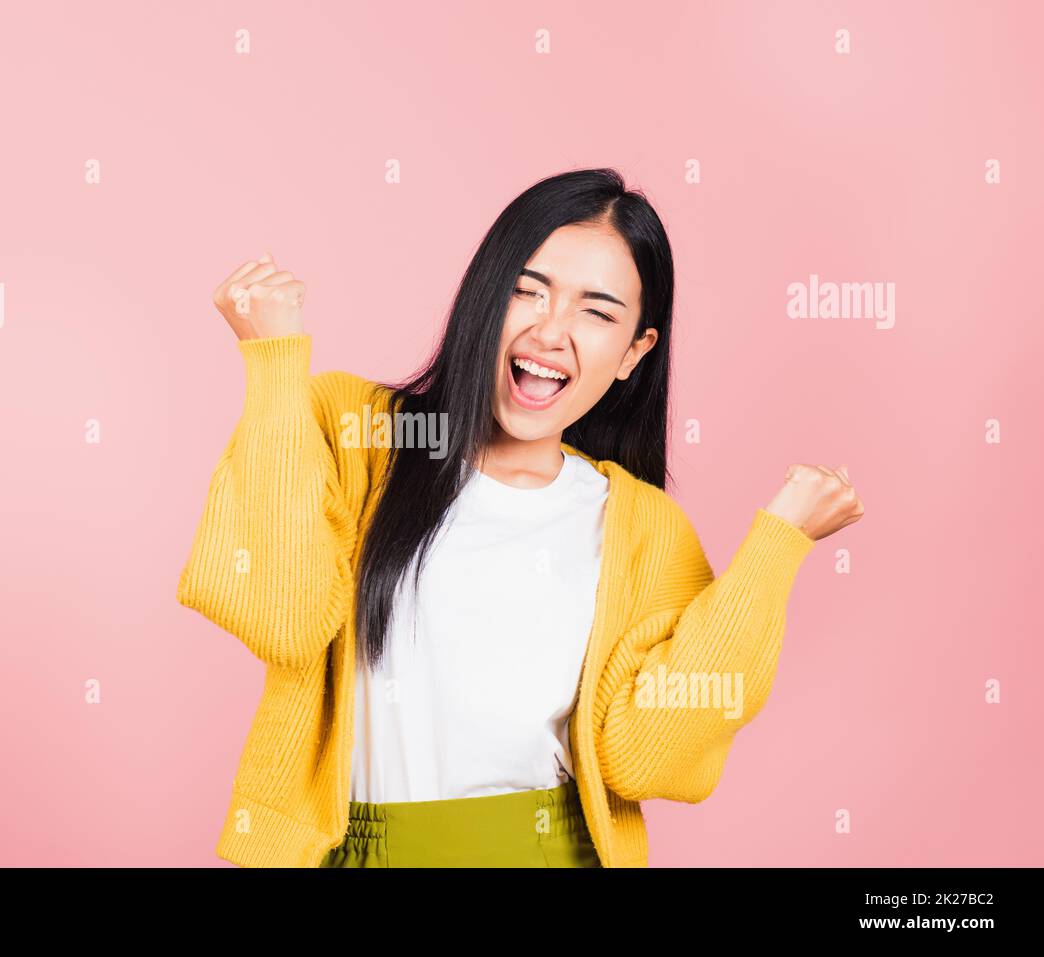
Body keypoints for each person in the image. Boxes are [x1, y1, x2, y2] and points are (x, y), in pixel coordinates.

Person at [177, 167, 864, 868]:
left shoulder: (644, 530)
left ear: (634, 352)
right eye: (526, 290)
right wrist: (272, 361)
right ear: (482, 297)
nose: (551, 330)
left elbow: (646, 757)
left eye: (597, 312)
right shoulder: (356, 432)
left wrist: (778, 546)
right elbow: (278, 613)